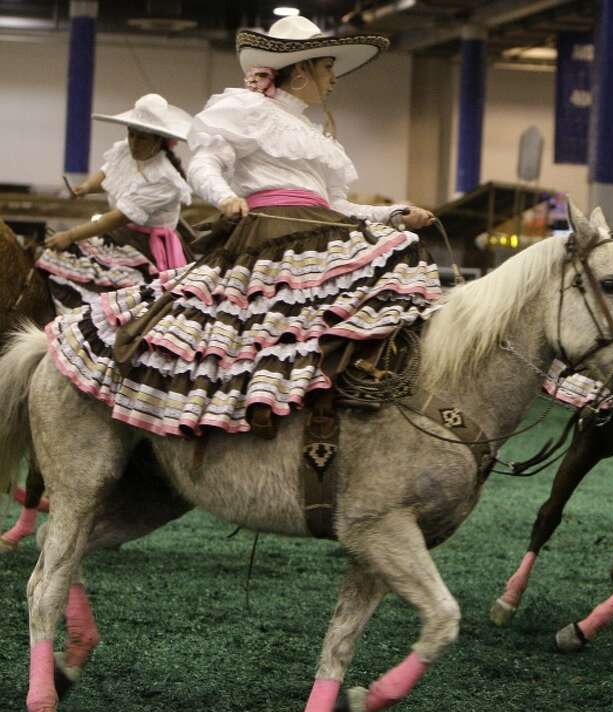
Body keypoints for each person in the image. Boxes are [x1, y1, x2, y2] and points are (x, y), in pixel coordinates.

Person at [47, 15, 440, 437]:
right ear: (301, 71)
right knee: (258, 331)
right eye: (327, 68)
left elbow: (336, 205)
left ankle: (339, 406)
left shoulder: (316, 135)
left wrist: (393, 214)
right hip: (269, 237)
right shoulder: (247, 110)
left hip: (323, 231)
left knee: (395, 250)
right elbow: (204, 162)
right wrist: (223, 196)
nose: (333, 79)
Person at [36, 94, 193, 310]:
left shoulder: (164, 179)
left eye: (142, 138)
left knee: (123, 296)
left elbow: (118, 218)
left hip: (145, 246)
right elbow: (109, 173)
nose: (134, 143)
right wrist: (87, 187)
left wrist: (70, 235)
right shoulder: (125, 151)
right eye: (131, 134)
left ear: (159, 141)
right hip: (117, 235)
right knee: (64, 259)